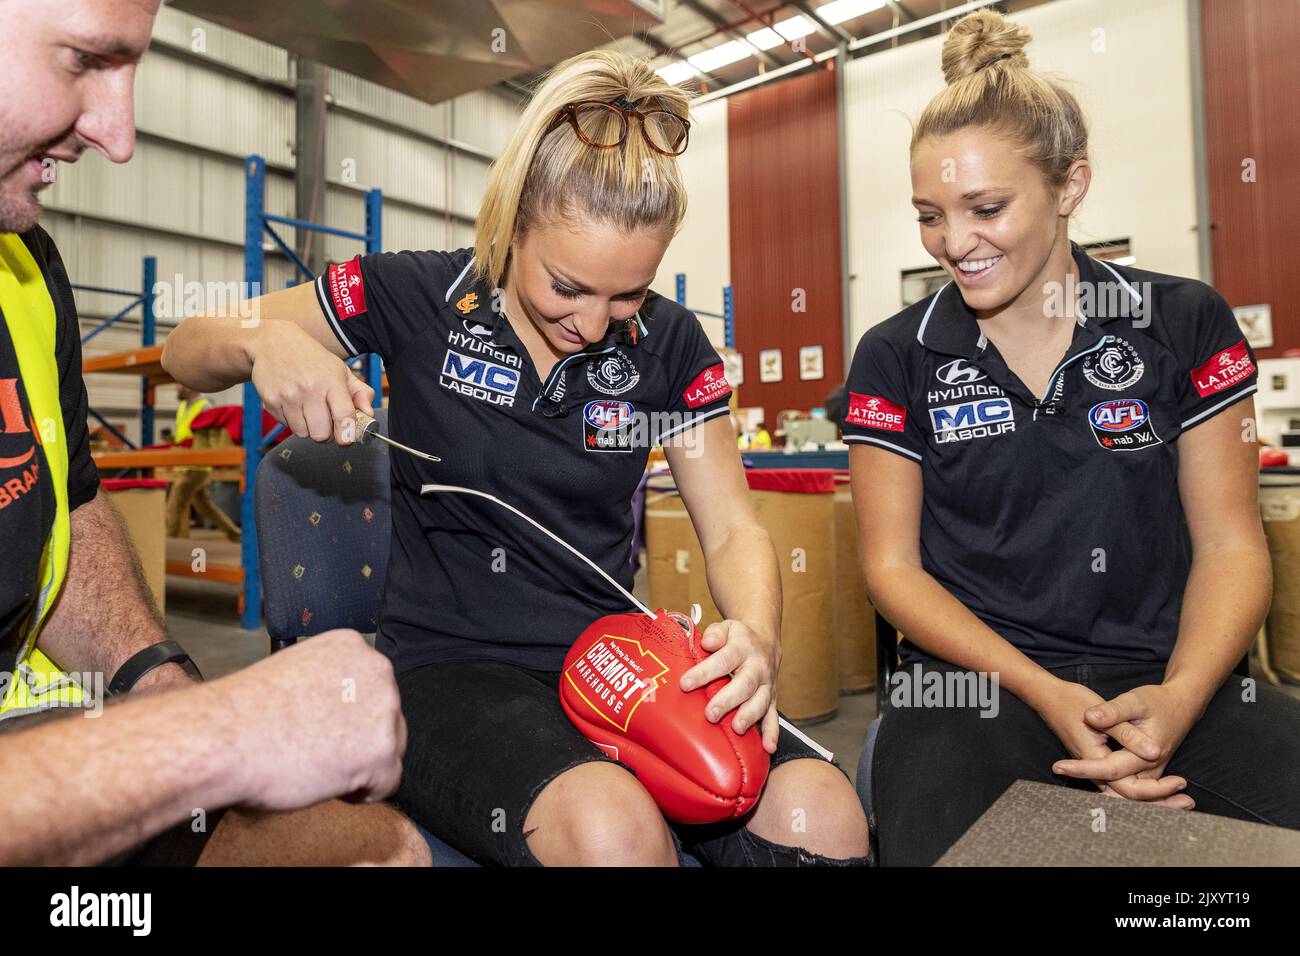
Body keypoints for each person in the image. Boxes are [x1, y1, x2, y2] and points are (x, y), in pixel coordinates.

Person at [162, 49, 870, 867]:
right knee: (612, 830)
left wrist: (756, 638)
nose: (597, 324)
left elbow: (734, 531)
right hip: (448, 673)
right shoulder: (418, 295)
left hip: (612, 659)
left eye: (628, 294)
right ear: (514, 217)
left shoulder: (674, 345)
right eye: (567, 287)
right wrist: (268, 342)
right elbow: (186, 347)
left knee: (823, 811)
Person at [845, 8, 1300, 866]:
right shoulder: (895, 357)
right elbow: (891, 570)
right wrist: (1046, 692)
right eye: (929, 216)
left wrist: (1176, 702)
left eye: (986, 207)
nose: (956, 243)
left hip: (1174, 677)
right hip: (975, 690)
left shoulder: (1183, 322)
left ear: (1070, 186)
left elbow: (1233, 545)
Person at [0, 0, 429, 866]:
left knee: (378, 851)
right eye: (85, 60)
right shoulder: (415, 287)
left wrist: (158, 682)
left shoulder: (26, 265)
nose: (119, 136)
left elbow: (68, 507)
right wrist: (215, 733)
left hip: (35, 727)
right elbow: (194, 347)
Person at [164, 384, 241, 541]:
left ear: (191, 387)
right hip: (184, 462)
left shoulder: (205, 406)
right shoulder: (183, 407)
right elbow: (183, 436)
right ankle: (234, 533)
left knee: (176, 499)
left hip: (197, 466)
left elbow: (213, 437)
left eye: (180, 385)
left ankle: (167, 539)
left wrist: (218, 459)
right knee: (205, 506)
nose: (176, 388)